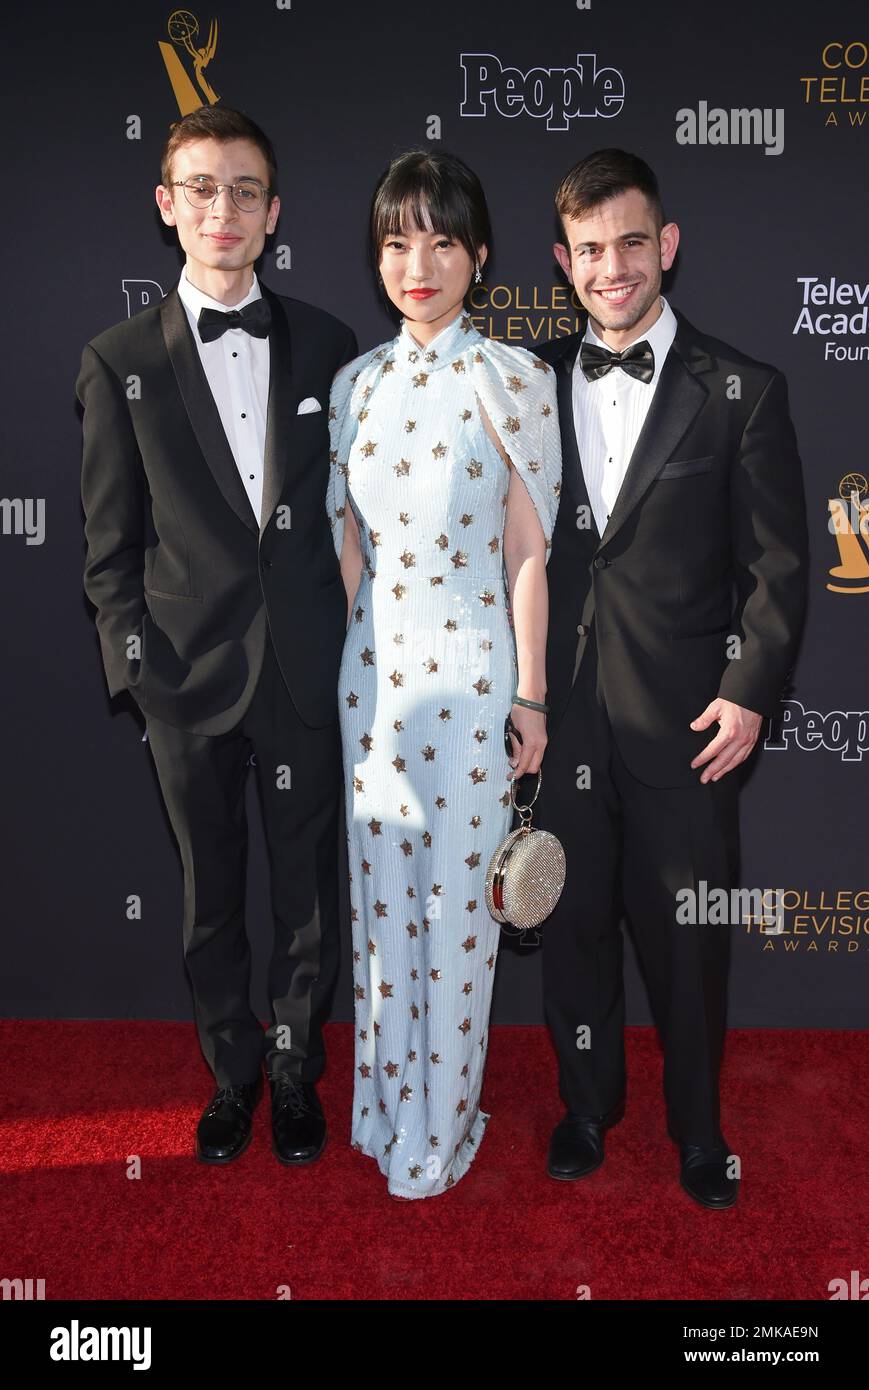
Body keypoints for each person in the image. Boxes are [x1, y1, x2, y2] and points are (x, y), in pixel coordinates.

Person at [77, 106, 357, 1167]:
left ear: (272, 211)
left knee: (305, 892)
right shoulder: (116, 362)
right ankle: (229, 1072)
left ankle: (293, 1068)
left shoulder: (330, 344)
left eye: (244, 190)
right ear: (167, 206)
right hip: (184, 680)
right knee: (208, 898)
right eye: (201, 187)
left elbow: (353, 515)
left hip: (300, 666)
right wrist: (134, 673)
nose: (222, 208)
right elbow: (110, 547)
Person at [535, 148, 808, 1208]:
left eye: (631, 243)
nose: (613, 268)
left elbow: (777, 565)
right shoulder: (525, 380)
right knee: (570, 927)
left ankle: (698, 1129)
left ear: (668, 245)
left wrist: (746, 690)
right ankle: (583, 1108)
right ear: (563, 261)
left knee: (687, 938)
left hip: (687, 720)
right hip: (556, 719)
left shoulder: (742, 389)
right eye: (591, 250)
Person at [327, 149, 562, 1198]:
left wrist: (529, 693)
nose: (416, 262)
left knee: (457, 918)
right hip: (370, 685)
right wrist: (363, 655)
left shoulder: (510, 377)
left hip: (471, 682)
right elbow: (346, 549)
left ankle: (437, 1124)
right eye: (395, 240)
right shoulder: (354, 384)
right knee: (380, 908)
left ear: (477, 256)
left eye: (439, 240)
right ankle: (381, 1110)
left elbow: (524, 551)